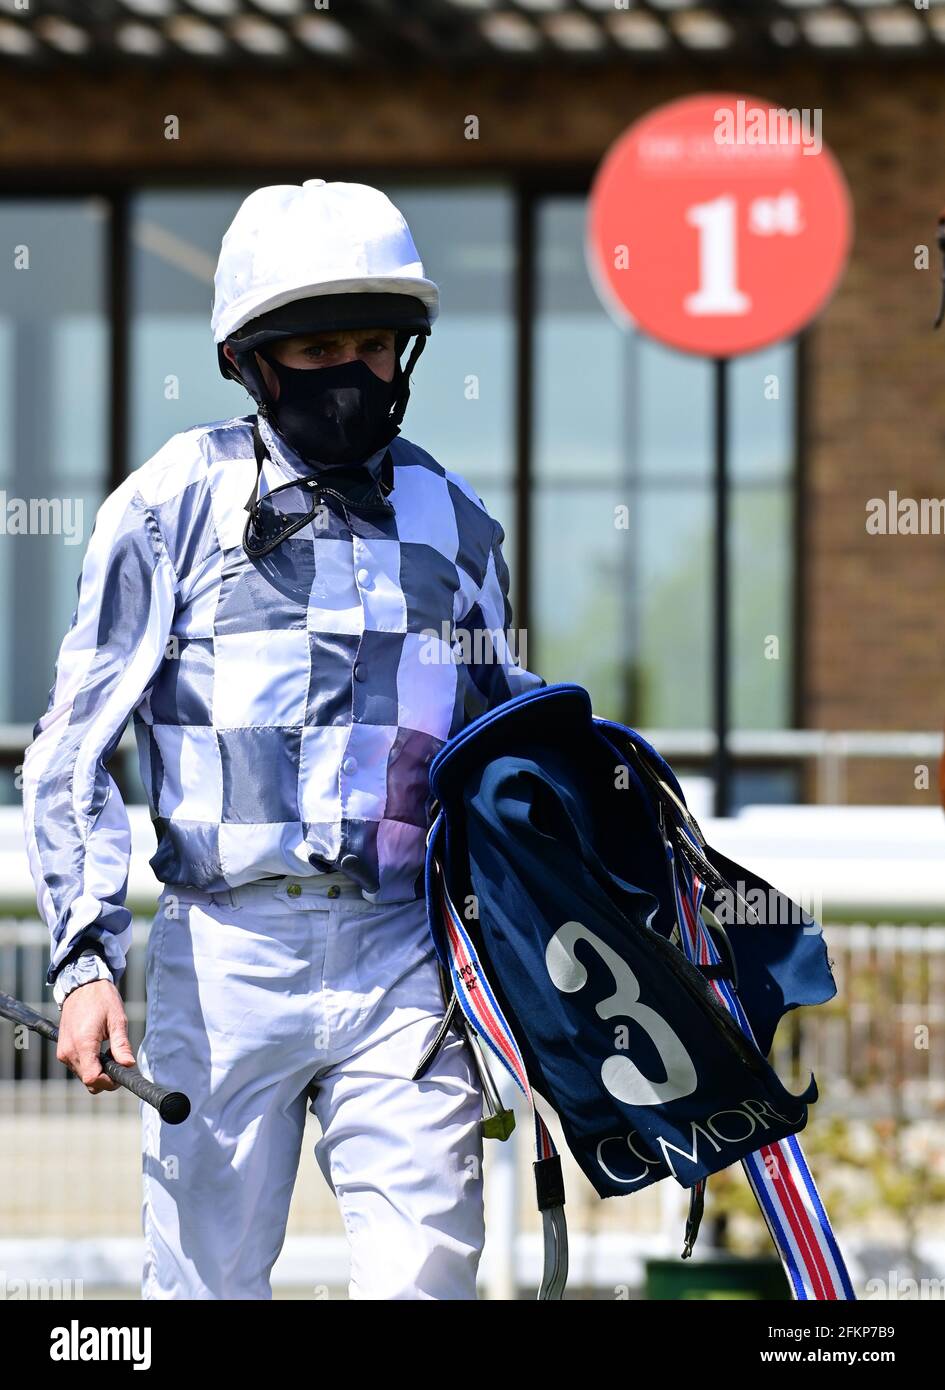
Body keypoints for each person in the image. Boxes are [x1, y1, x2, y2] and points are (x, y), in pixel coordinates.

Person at [21, 180, 544, 1300]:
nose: (348, 372)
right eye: (314, 348)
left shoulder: (455, 519)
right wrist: (84, 958)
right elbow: (71, 747)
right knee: (204, 1289)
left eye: (371, 344)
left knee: (429, 1280)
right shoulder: (169, 503)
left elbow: (508, 745)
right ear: (251, 360)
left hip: (404, 958)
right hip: (223, 954)